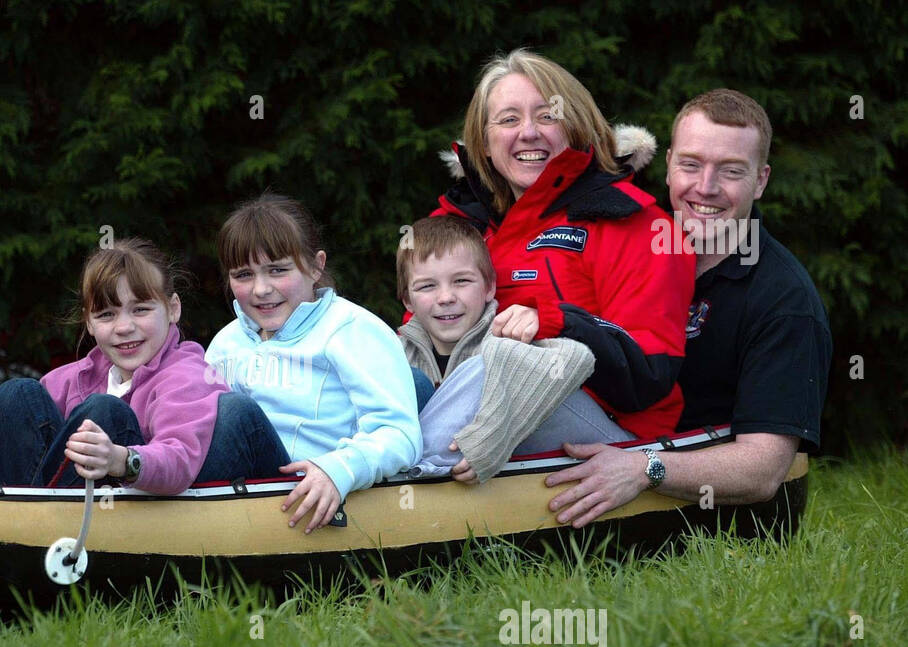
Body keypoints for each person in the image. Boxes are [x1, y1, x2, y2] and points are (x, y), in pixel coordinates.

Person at [545, 89, 833, 527]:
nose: (705, 187)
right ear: (667, 167)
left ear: (761, 180)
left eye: (731, 171)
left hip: (702, 518)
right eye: (691, 164)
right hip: (597, 450)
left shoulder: (784, 300)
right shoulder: (626, 240)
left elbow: (763, 469)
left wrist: (645, 468)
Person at [431, 48, 694, 447]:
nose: (529, 132)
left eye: (548, 115)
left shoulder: (639, 226)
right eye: (508, 119)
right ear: (483, 143)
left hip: (610, 435)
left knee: (499, 369)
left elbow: (647, 378)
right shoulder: (454, 228)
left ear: (576, 128)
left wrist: (560, 323)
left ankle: (394, 484)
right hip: (474, 416)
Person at [0, 238, 286, 494]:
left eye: (141, 309)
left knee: (105, 412)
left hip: (135, 514)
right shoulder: (76, 378)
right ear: (89, 323)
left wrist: (123, 460)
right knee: (16, 393)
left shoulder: (187, 374)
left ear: (173, 309)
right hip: (50, 501)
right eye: (106, 315)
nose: (123, 327)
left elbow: (180, 457)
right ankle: (11, 523)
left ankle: (32, 531)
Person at [205, 194, 422, 533]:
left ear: (316, 265)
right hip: (240, 488)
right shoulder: (225, 343)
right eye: (243, 275)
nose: (261, 289)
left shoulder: (352, 330)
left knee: (234, 412)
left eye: (278, 270)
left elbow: (399, 434)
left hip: (313, 486)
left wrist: (339, 469)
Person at [397, 215, 594, 484]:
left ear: (490, 287)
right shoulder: (397, 351)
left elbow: (577, 358)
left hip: (527, 467)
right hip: (427, 477)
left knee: (485, 366)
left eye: (462, 281)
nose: (446, 298)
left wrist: (493, 434)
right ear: (408, 300)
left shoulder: (504, 335)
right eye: (427, 286)